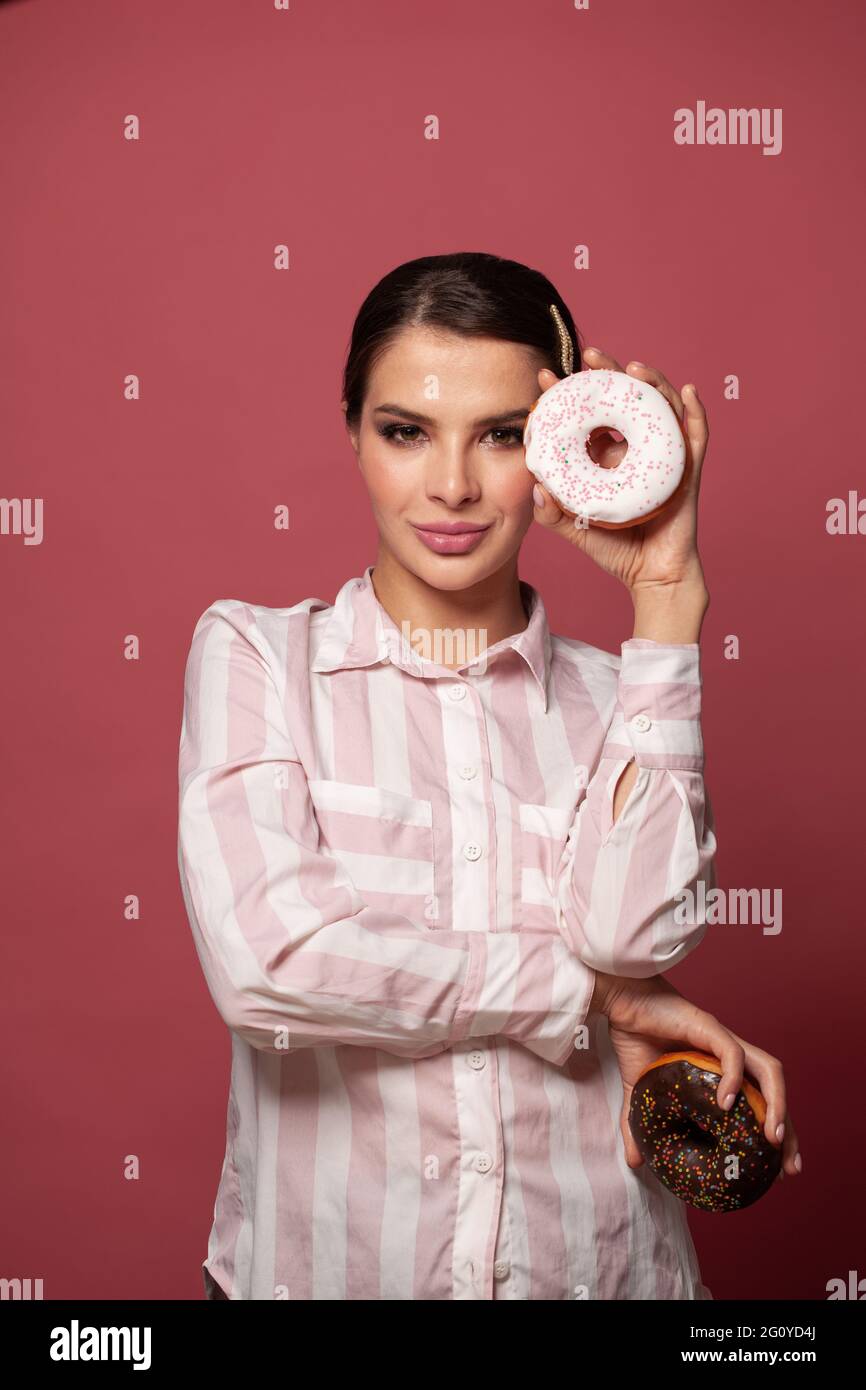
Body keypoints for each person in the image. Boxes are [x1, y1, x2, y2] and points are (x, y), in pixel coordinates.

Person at [178, 251, 800, 1302]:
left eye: (503, 434)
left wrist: (665, 600)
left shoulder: (625, 698)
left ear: (559, 448)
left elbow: (633, 937)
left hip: (598, 1275)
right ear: (351, 432)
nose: (453, 485)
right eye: (404, 430)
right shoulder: (256, 659)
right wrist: (590, 996)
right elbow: (269, 963)